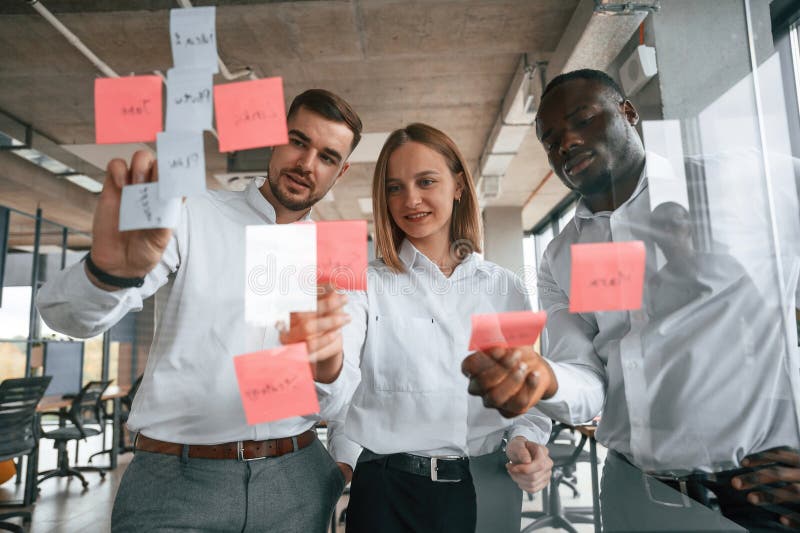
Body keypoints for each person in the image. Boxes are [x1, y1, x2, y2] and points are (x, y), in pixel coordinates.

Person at [461, 69, 800, 531]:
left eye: (583, 120)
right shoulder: (561, 255)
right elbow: (588, 380)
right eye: (550, 140)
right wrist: (546, 379)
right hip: (630, 491)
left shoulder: (738, 182)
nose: (566, 143)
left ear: (628, 112)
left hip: (752, 495)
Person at [37, 89, 362, 532]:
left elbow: (345, 396)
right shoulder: (192, 214)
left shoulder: (336, 257)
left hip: (295, 481)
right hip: (176, 484)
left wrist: (341, 460)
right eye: (298, 141)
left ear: (341, 171)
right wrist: (108, 275)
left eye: (327, 156)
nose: (306, 163)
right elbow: (64, 318)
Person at [287, 123, 553, 533]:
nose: (410, 200)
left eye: (426, 181)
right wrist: (325, 359)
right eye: (395, 188)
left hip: (486, 481)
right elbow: (338, 389)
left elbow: (528, 401)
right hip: (386, 492)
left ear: (458, 186)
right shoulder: (363, 283)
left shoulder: (505, 289)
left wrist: (525, 440)